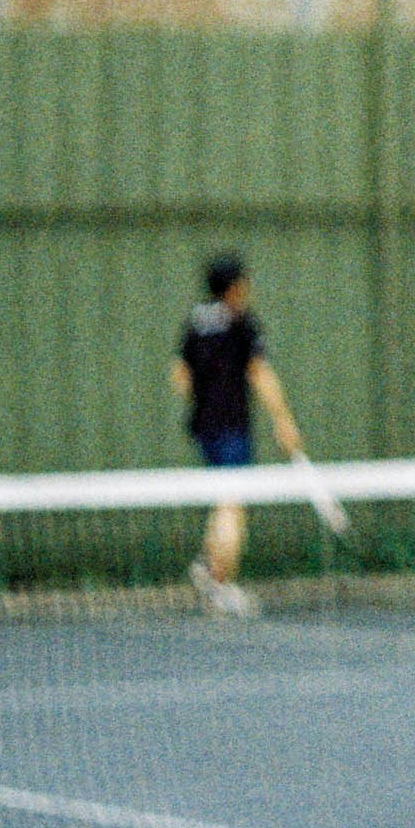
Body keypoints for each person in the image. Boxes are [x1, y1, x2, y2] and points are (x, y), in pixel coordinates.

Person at [170, 252, 306, 618]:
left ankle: (207, 566)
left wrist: (207, 388)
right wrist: (284, 420)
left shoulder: (195, 323)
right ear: (235, 286)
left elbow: (180, 378)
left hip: (203, 429)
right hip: (231, 427)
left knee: (223, 499)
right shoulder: (242, 322)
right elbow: (260, 373)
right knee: (233, 503)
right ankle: (221, 584)